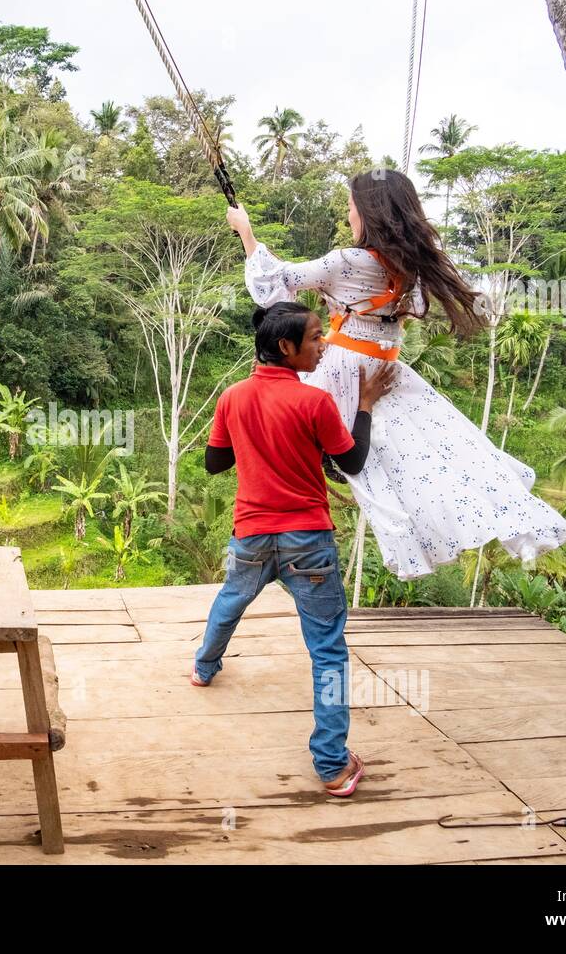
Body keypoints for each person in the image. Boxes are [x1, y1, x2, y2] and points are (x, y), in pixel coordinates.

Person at [226, 169, 566, 580]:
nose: (349, 215)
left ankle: (326, 480)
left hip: (345, 370)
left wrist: (246, 232)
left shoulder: (345, 261)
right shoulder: (410, 265)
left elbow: (276, 281)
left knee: (355, 455)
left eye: (352, 208)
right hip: (384, 367)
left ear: (370, 213)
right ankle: (500, 517)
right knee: (435, 453)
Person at [195, 301, 397, 797]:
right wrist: (366, 403)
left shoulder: (233, 397)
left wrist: (250, 427)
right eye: (314, 337)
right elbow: (351, 460)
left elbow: (213, 464)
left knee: (231, 599)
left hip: (251, 533)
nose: (322, 343)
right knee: (327, 650)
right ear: (285, 347)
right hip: (307, 541)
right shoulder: (315, 403)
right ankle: (331, 765)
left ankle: (204, 668)